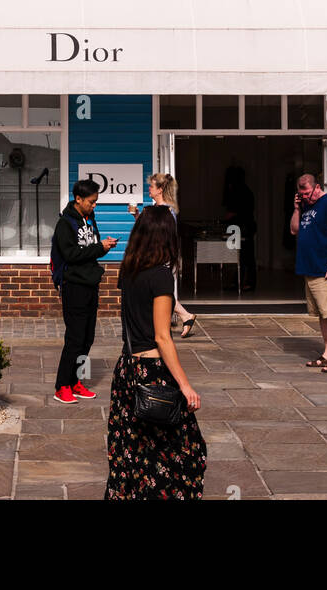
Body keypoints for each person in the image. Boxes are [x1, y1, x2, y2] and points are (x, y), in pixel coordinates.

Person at [105, 205, 207, 500]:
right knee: (186, 452)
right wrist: (186, 386)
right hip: (153, 374)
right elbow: (163, 337)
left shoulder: (129, 271)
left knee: (130, 449)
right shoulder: (161, 276)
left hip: (126, 369)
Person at [52, 180, 118, 404]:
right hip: (74, 286)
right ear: (78, 199)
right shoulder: (65, 224)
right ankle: (62, 386)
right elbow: (71, 255)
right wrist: (99, 248)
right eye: (91, 202)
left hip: (91, 283)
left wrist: (103, 246)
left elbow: (92, 249)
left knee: (88, 337)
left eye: (96, 202)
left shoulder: (90, 220)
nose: (94, 206)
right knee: (75, 338)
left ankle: (76, 381)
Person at [290, 173, 327, 372]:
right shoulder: (306, 207)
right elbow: (294, 229)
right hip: (310, 268)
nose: (304, 196)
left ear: (317, 187)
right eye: (301, 193)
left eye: (306, 192)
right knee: (323, 314)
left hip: (326, 269)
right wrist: (298, 208)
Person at [130, 173, 197, 337]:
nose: (149, 189)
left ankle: (179, 318)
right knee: (156, 290)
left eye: (151, 186)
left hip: (159, 256)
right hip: (152, 256)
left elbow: (161, 236)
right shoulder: (156, 209)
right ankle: (184, 316)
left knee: (157, 290)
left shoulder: (167, 211)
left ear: (160, 189)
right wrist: (137, 217)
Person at [223, 165, 257, 292]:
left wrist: (228, 217)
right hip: (245, 226)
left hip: (242, 227)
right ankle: (241, 282)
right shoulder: (246, 190)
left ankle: (245, 282)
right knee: (243, 256)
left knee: (244, 256)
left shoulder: (239, 191)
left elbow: (234, 211)